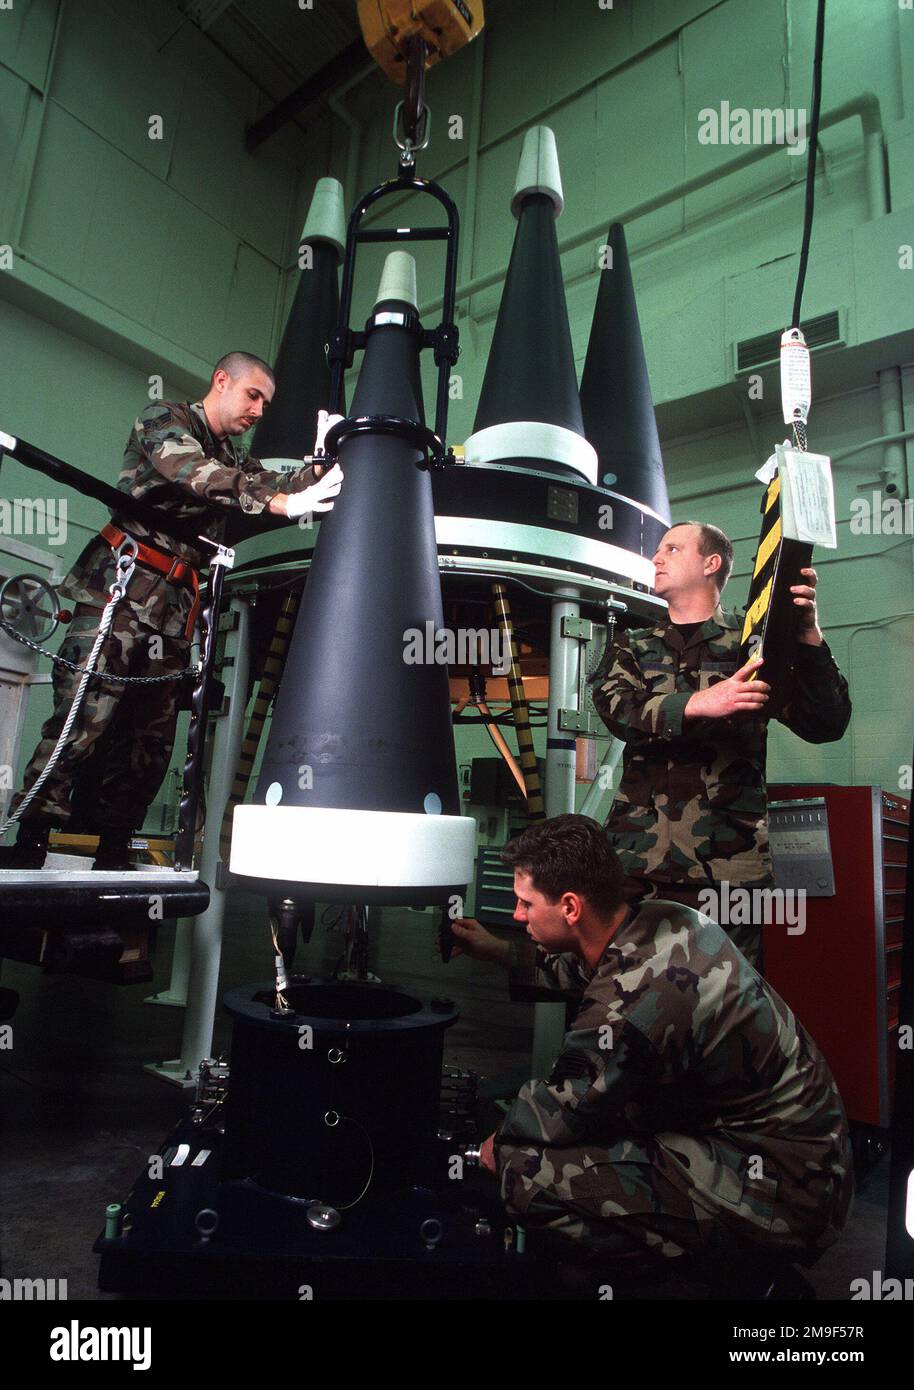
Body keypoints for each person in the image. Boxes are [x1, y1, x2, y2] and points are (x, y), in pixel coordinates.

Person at [450, 814, 853, 1284]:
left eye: (525, 904)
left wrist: (490, 1145)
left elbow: (558, 1112)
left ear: (571, 907)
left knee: (527, 1173)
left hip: (784, 1191)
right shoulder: (657, 921)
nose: (517, 916)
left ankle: (707, 1281)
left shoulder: (633, 999)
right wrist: (497, 949)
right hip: (791, 1155)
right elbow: (582, 970)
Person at [1, 351, 342, 870]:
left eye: (266, 404)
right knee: (83, 719)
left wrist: (322, 459)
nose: (259, 411)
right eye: (254, 395)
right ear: (221, 381)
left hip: (176, 608)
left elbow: (278, 483)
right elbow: (195, 475)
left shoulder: (234, 456)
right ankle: (32, 837)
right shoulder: (163, 420)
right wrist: (278, 504)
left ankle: (114, 848)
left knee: (151, 739)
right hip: (120, 591)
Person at [592, 520, 851, 968]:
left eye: (671, 549)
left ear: (711, 563)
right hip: (638, 860)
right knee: (627, 989)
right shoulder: (631, 644)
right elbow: (615, 709)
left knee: (726, 1001)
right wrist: (698, 703)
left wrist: (808, 638)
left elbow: (825, 723)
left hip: (729, 863)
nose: (656, 558)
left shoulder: (753, 645)